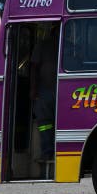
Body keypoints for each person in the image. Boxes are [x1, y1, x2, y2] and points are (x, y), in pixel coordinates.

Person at [30, 24, 57, 164]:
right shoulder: (42, 45)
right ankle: (47, 153)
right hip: (44, 91)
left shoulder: (70, 46)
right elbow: (34, 68)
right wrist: (34, 89)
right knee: (45, 123)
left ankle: (57, 153)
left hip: (63, 92)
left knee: (59, 123)